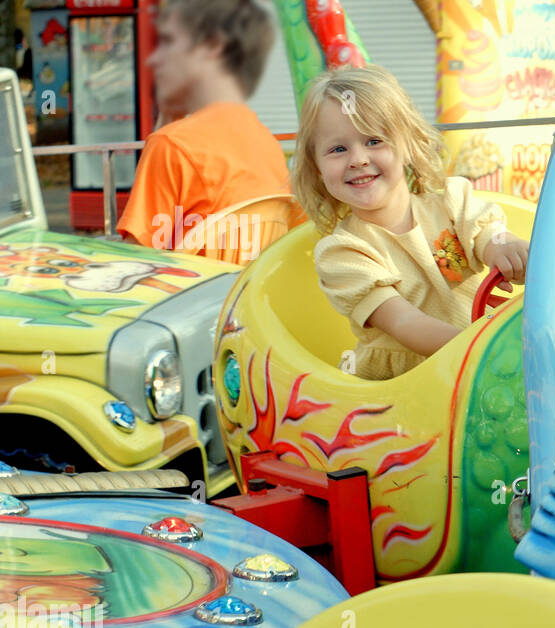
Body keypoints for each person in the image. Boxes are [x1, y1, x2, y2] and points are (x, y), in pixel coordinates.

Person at [292, 65, 529, 381]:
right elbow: (405, 323)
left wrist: (509, 250)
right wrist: (485, 350)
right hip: (408, 388)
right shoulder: (342, 253)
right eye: (338, 149)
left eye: (374, 141)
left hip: (484, 366)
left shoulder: (452, 203)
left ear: (407, 145)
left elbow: (490, 235)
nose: (358, 159)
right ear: (316, 167)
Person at [116, 0, 289, 254]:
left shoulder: (172, 146)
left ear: (212, 45)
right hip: (247, 281)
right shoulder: (269, 146)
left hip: (184, 281)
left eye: (168, 41)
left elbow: (137, 259)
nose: (153, 59)